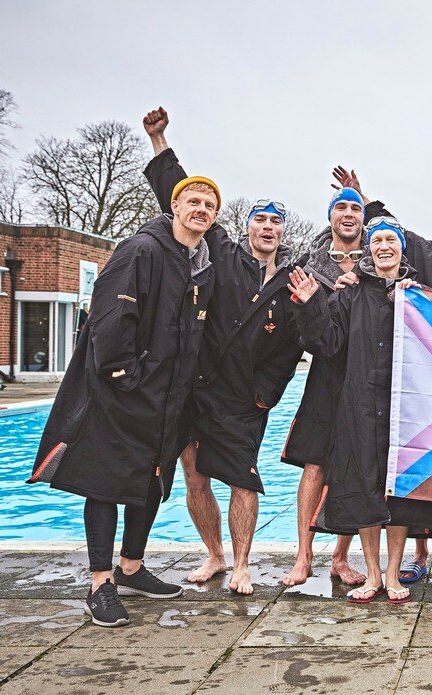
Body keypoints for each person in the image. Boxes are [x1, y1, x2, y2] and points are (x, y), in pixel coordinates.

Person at [30, 172, 219, 626]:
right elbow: (111, 319)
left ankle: (131, 567)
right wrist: (126, 377)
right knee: (105, 484)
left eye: (209, 206)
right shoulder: (141, 249)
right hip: (120, 395)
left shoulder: (198, 264)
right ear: (175, 206)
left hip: (166, 400)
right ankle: (100, 582)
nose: (201, 210)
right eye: (193, 200)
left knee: (150, 482)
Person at [287, 218, 432, 605]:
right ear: (369, 248)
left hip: (408, 406)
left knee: (398, 493)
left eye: (391, 240)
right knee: (365, 487)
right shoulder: (349, 294)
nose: (384, 246)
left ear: (402, 248)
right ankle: (372, 573)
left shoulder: (419, 295)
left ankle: (393, 572)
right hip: (360, 406)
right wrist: (310, 306)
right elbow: (327, 343)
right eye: (378, 240)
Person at [143, 108, 303, 596]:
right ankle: (214, 554)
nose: (268, 227)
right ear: (248, 226)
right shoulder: (223, 254)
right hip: (198, 388)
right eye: (260, 220)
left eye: (276, 222)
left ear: (282, 232)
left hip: (244, 399)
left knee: (243, 481)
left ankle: (242, 563)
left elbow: (292, 350)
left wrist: (264, 394)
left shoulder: (291, 283)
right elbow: (184, 194)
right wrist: (159, 140)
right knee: (194, 474)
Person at [279, 185, 374, 588]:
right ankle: (303, 556)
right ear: (331, 217)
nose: (348, 213)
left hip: (367, 378)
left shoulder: (378, 261)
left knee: (352, 466)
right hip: (326, 377)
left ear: (363, 219)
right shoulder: (309, 267)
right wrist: (312, 303)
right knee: (315, 466)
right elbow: (299, 334)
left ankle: (339, 557)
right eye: (342, 207)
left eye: (356, 208)